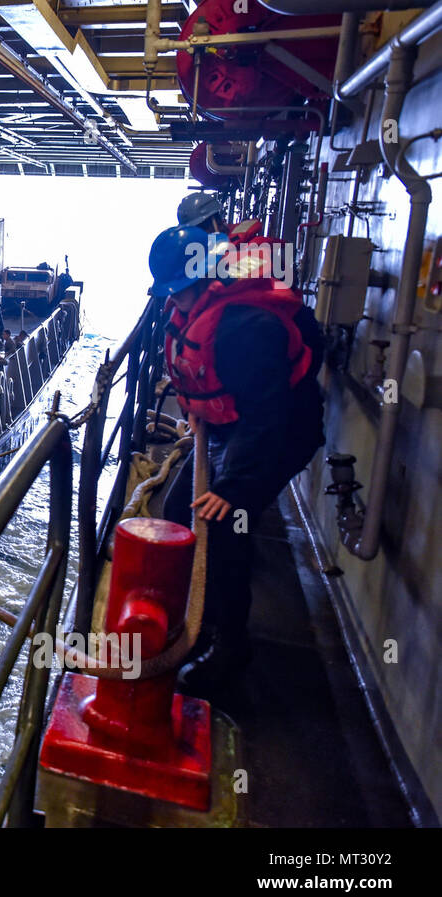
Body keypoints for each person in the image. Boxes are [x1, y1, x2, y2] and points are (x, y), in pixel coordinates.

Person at [148, 224, 325, 695]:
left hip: (279, 435)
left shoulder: (246, 328)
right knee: (174, 511)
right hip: (230, 426)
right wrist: (197, 412)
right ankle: (191, 614)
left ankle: (228, 649)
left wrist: (233, 489)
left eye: (179, 292)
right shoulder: (207, 308)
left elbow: (268, 419)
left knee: (227, 527)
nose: (176, 301)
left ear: (205, 278)